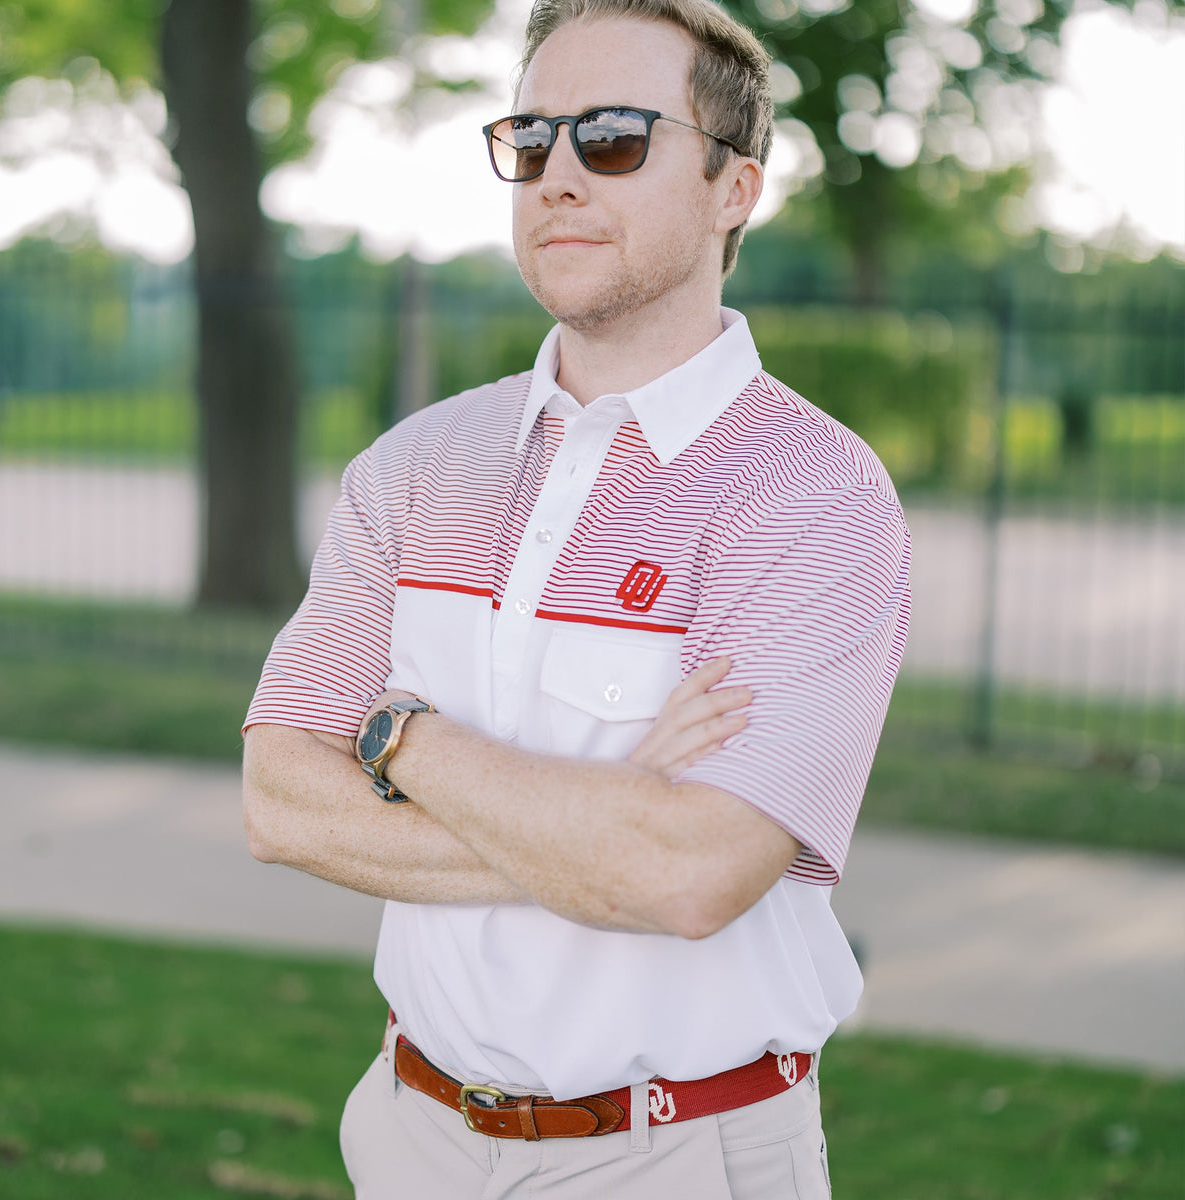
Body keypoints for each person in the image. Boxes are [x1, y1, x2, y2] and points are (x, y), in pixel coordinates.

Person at [242, 0, 910, 1194]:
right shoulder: (416, 465)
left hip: (678, 1152)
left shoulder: (812, 493)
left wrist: (399, 738)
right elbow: (282, 802)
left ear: (734, 188)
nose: (556, 174)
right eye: (532, 136)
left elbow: (689, 877)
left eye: (612, 137)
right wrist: (601, 829)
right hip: (408, 1133)